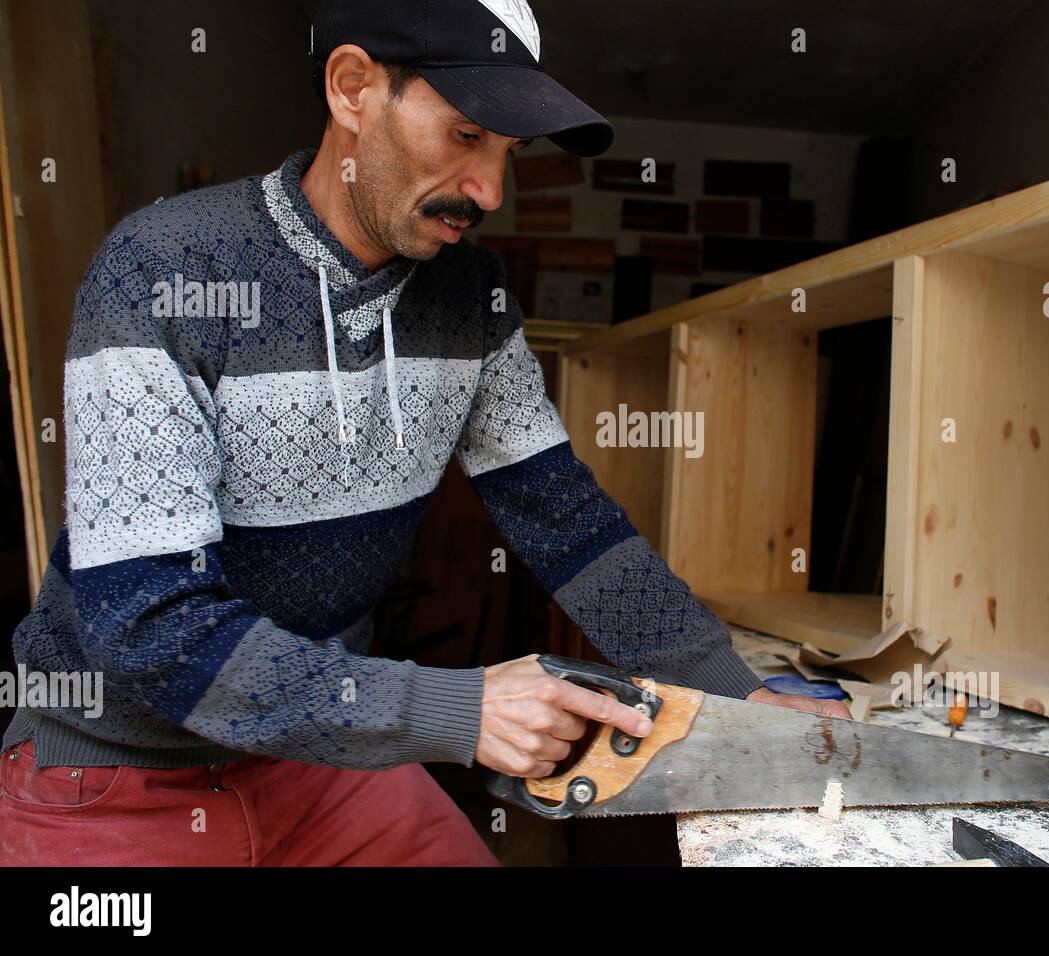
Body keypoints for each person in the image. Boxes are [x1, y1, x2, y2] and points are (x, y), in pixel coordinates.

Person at [0, 0, 847, 867]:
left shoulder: (470, 296)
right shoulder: (162, 270)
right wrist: (461, 712)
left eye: (509, 154)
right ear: (352, 88)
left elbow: (570, 523)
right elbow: (147, 629)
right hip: (114, 777)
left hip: (322, 753)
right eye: (467, 134)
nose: (489, 192)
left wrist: (736, 696)